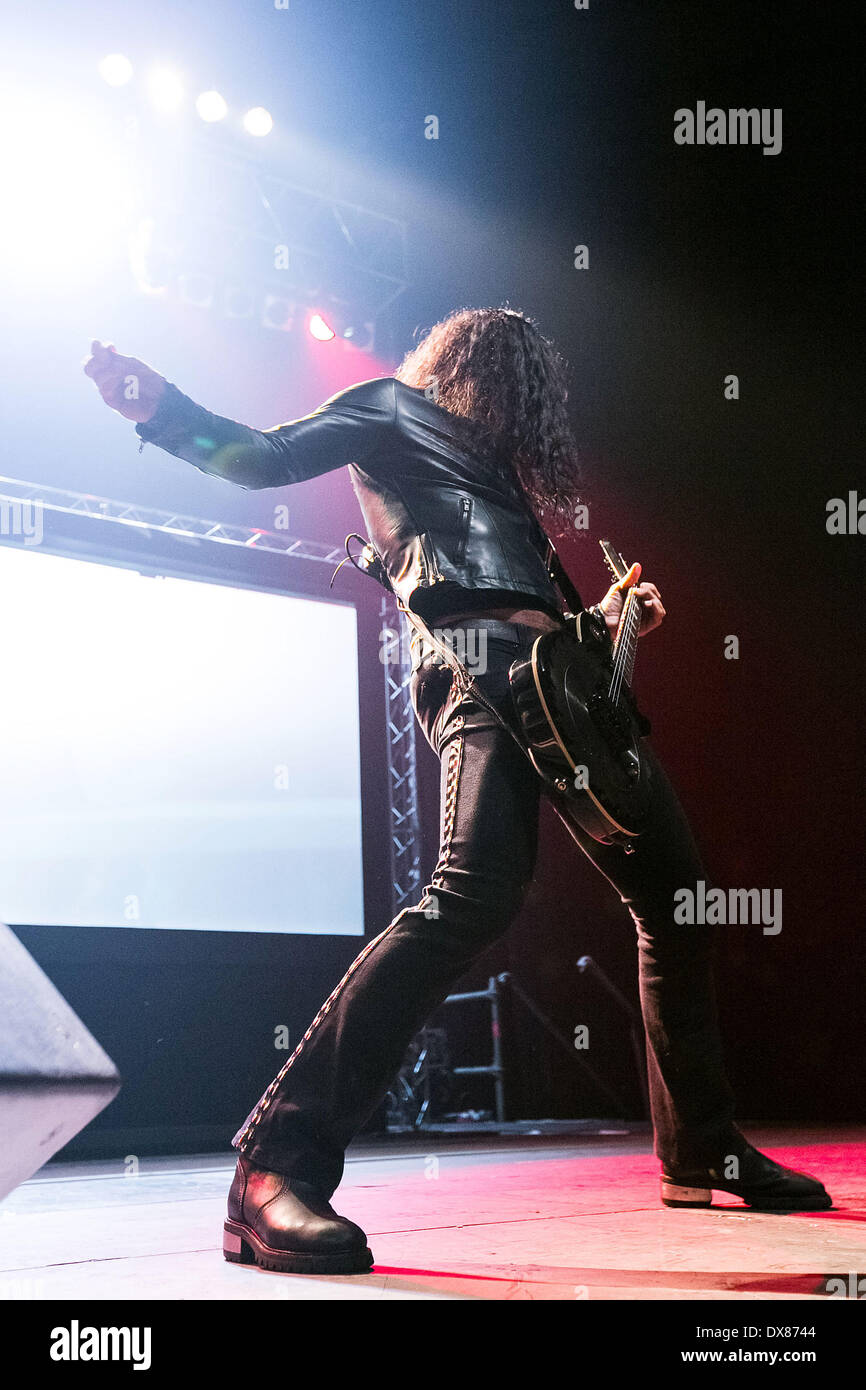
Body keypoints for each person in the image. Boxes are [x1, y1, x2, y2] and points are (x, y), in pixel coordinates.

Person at [84, 307, 830, 1276]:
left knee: (675, 897)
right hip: (479, 671)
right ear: (472, 367)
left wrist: (609, 617)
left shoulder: (507, 488)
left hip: (564, 691)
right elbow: (262, 456)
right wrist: (160, 406)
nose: (526, 401)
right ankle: (274, 1168)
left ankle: (700, 1147)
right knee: (470, 896)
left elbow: (552, 621)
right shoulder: (389, 406)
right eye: (516, 377)